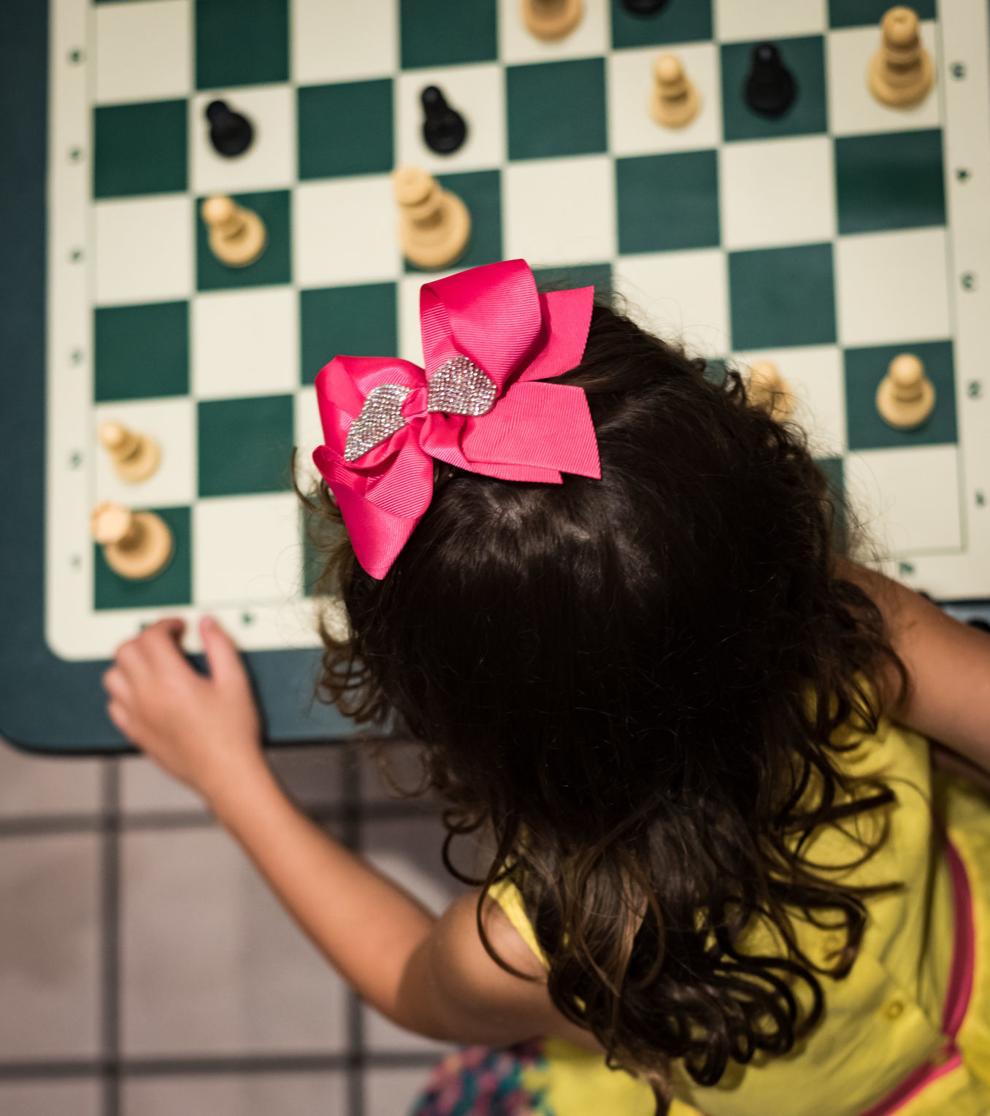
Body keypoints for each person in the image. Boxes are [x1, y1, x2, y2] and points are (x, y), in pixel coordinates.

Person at [102, 259, 990, 1115]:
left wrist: (231, 777)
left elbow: (406, 977)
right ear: (766, 532)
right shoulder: (839, 617)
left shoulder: (537, 948)